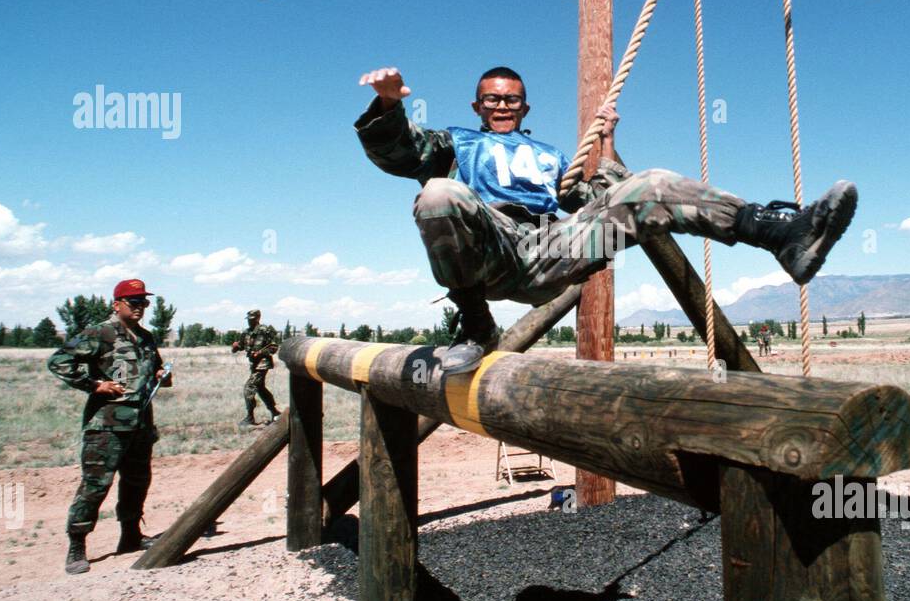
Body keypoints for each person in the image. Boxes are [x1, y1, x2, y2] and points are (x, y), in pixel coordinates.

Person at [356, 65, 858, 373]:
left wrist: (606, 146)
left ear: (524, 104)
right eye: (493, 99)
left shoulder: (552, 156)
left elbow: (598, 197)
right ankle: (476, 326)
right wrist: (387, 102)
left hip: (549, 249)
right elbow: (400, 153)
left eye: (511, 99)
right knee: (438, 193)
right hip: (492, 247)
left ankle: (780, 234)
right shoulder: (456, 142)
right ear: (478, 105)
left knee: (650, 183)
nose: (502, 106)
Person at [47, 278, 171, 575]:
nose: (141, 307)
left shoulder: (145, 337)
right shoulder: (99, 333)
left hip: (140, 424)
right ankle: (77, 544)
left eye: (144, 302)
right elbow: (59, 361)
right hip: (106, 426)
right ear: (117, 305)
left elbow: (153, 368)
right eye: (134, 302)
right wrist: (95, 385)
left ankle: (130, 536)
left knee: (136, 481)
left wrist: (160, 374)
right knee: (95, 486)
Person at [231, 309, 281, 426]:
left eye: (252, 319)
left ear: (258, 318)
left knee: (249, 388)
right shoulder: (247, 332)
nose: (250, 322)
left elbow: (273, 347)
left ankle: (250, 417)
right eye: (248, 320)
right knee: (260, 389)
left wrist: (260, 353)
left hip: (262, 365)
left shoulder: (265, 330)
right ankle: (275, 412)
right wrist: (235, 347)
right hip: (254, 365)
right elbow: (241, 345)